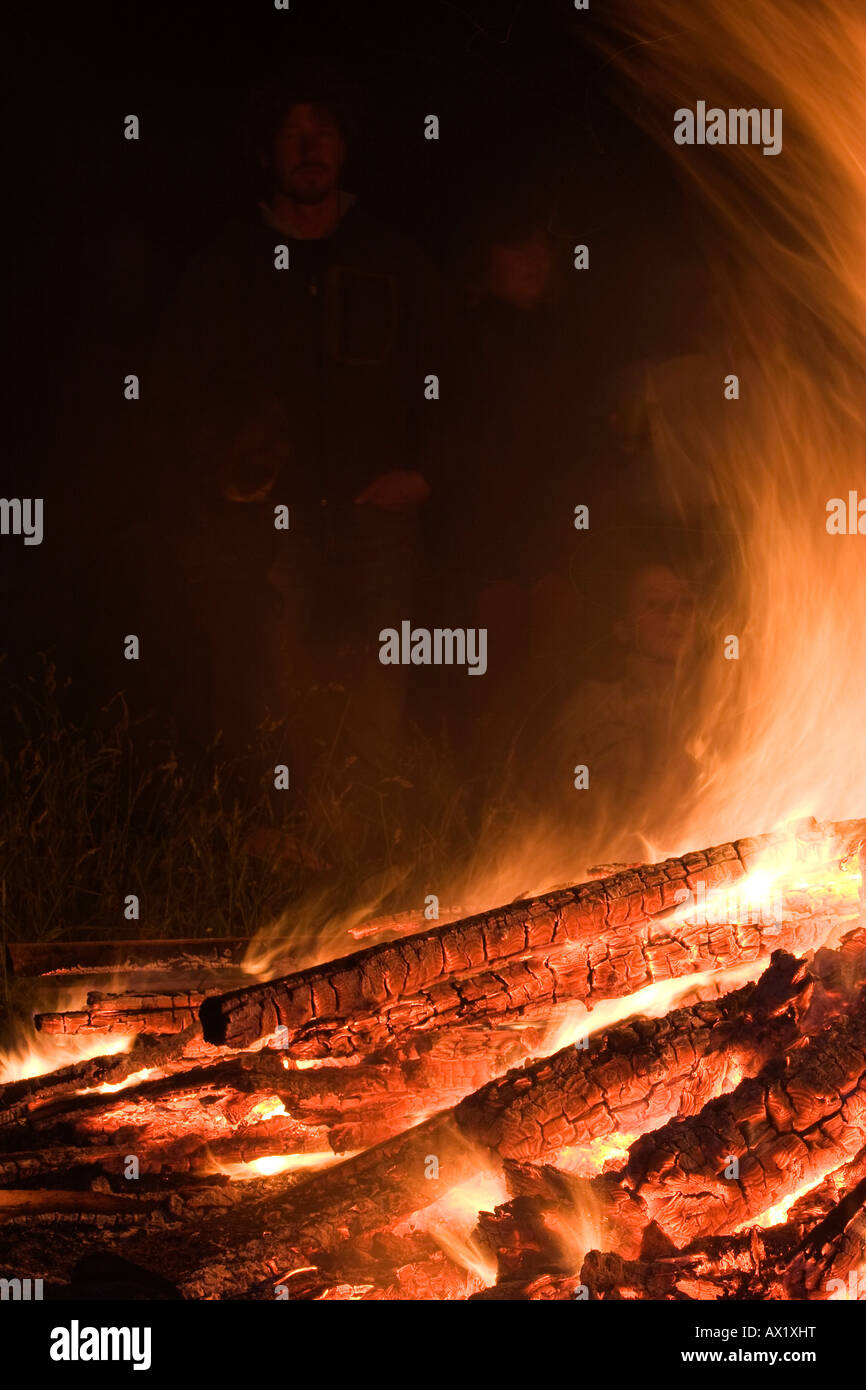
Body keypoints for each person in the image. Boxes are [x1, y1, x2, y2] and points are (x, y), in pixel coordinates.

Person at [142, 72, 457, 772]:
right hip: (273, 523)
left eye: (324, 130)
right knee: (277, 683)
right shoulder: (232, 267)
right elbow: (180, 384)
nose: (309, 145)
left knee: (380, 688)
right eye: (292, 133)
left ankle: (374, 840)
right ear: (266, 153)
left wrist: (425, 474)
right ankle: (286, 844)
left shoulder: (391, 258)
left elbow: (451, 376)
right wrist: (227, 473)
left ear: (345, 148)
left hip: (376, 509)